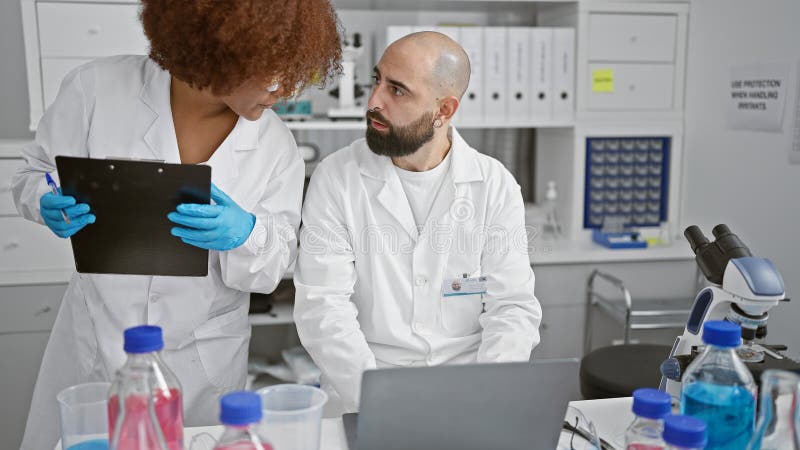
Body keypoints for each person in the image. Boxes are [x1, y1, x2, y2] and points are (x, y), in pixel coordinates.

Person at [11, 1, 341, 448]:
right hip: (99, 339)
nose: (283, 91)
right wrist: (44, 200)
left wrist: (246, 234)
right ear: (224, 51)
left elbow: (274, 264)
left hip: (202, 359)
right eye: (271, 72)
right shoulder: (96, 89)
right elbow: (33, 174)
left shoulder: (275, 144)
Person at [293, 31, 542, 416]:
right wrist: (380, 403)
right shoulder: (337, 177)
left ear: (444, 110)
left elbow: (511, 309)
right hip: (364, 389)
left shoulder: (493, 185)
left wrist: (484, 396)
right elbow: (323, 308)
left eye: (398, 90)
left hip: (468, 392)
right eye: (377, 81)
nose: (374, 102)